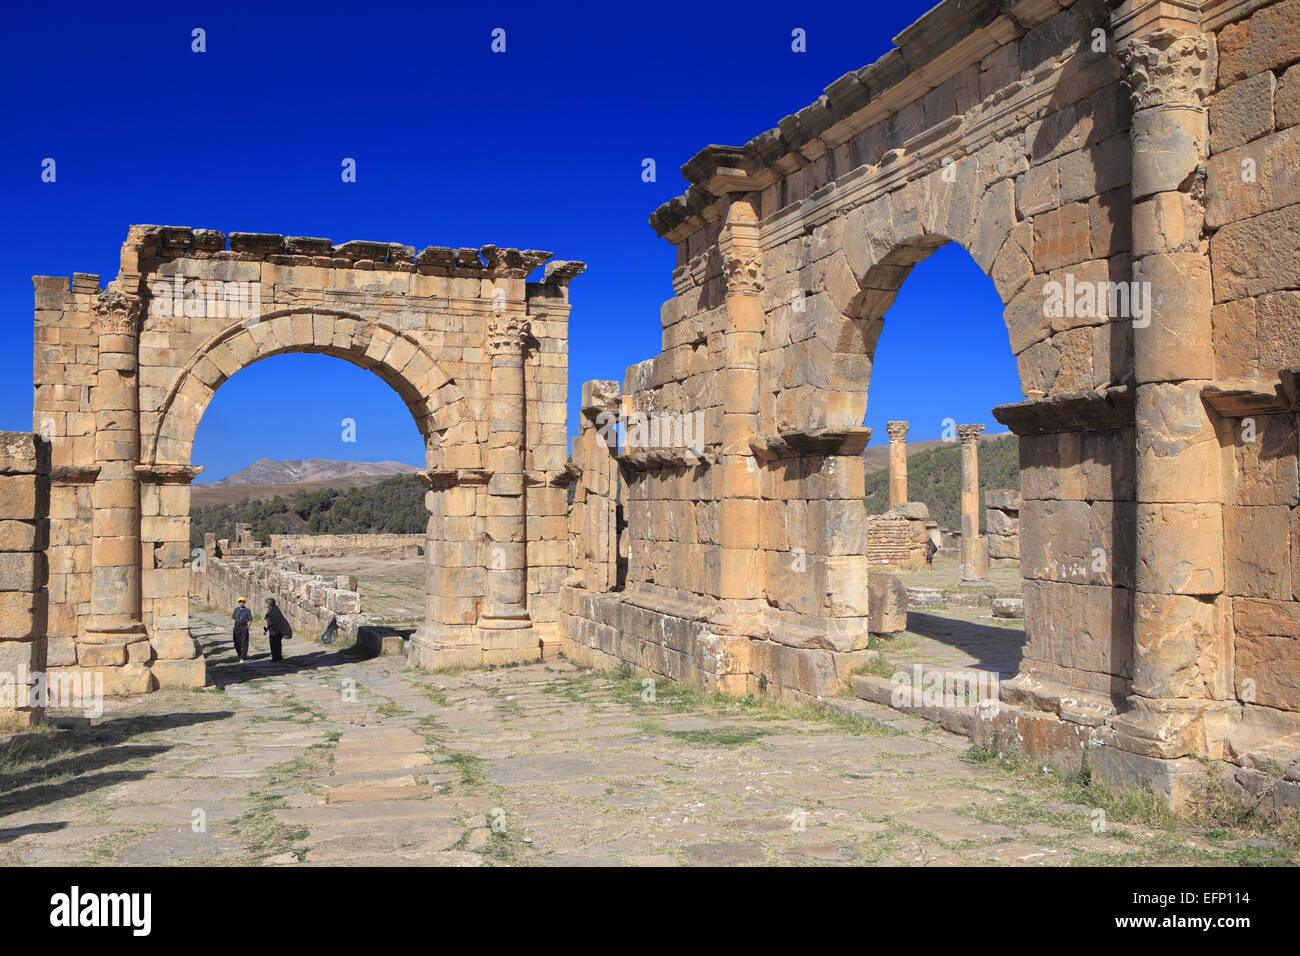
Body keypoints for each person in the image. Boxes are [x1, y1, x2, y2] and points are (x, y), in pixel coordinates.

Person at [263, 597, 292, 662]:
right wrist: (266, 628)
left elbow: (273, 622)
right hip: (273, 630)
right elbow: (269, 621)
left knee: (276, 645)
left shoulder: (274, 612)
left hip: (276, 631)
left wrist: (268, 628)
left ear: (269, 604)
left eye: (266, 603)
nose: (265, 604)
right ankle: (276, 657)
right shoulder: (271, 610)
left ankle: (277, 658)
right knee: (274, 645)